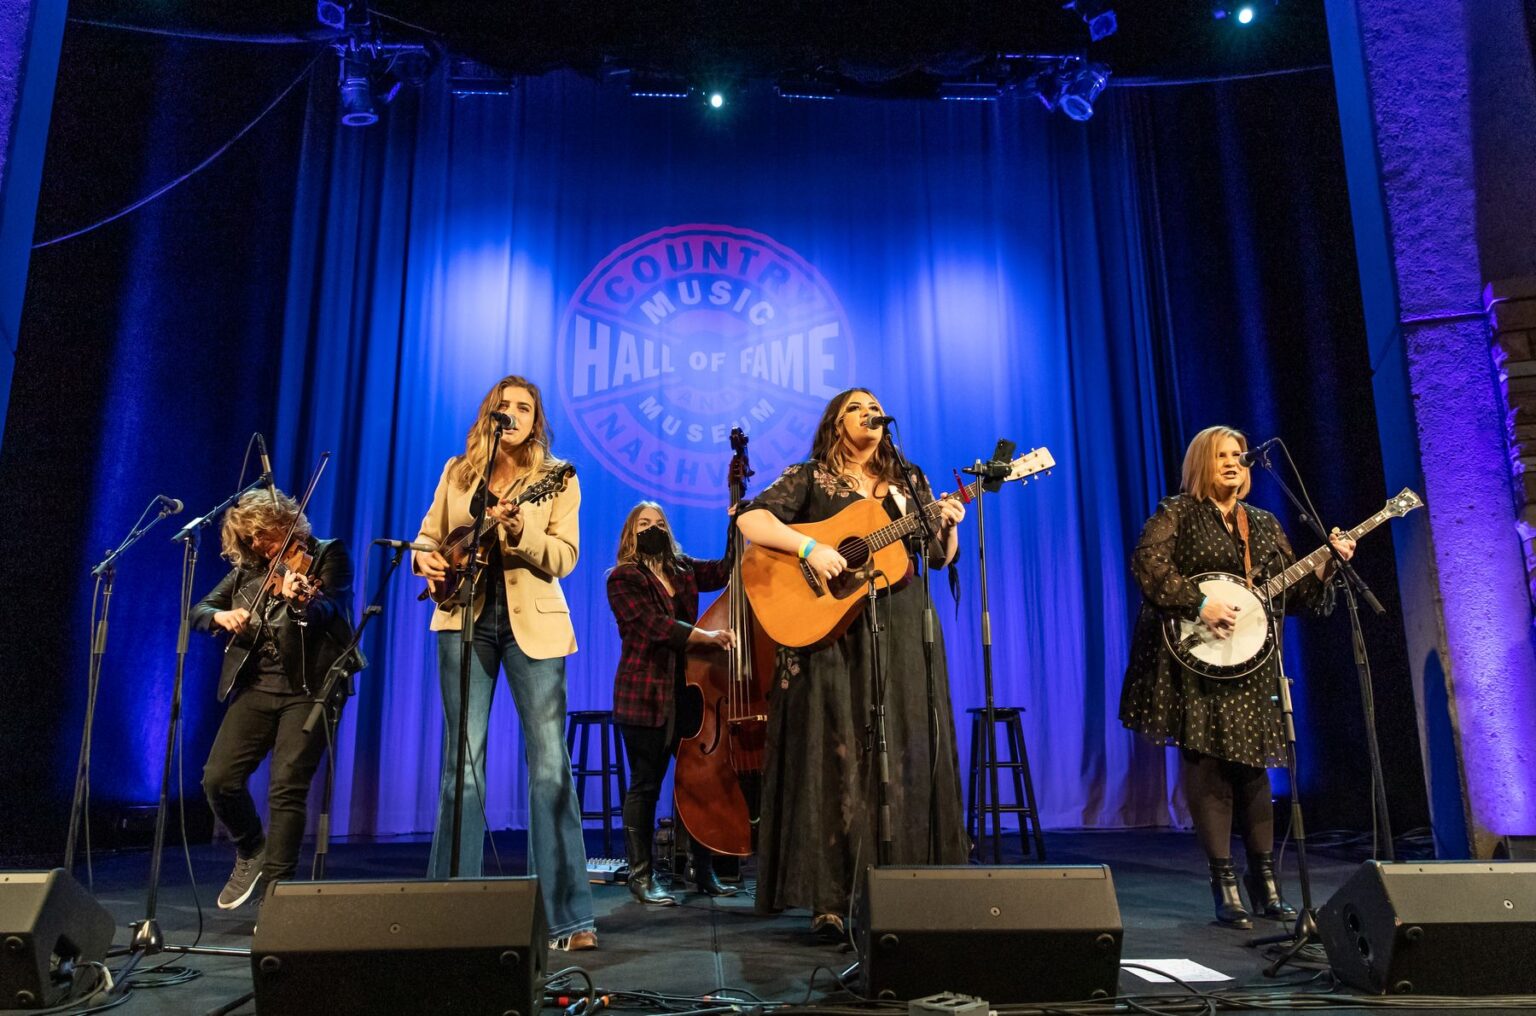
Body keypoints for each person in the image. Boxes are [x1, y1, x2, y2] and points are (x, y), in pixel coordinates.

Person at [735, 388, 969, 940]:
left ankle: (904, 886)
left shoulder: (909, 480)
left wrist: (949, 523)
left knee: (905, 748)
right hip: (833, 635)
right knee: (835, 756)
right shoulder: (811, 477)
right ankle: (831, 899)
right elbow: (752, 521)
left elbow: (936, 557)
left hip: (903, 622)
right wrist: (811, 549)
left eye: (876, 408)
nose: (871, 414)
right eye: (856, 409)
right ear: (837, 424)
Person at [1119, 425, 1355, 929]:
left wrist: (1326, 568)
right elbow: (1148, 567)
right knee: (1208, 765)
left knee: (1253, 770)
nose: (1233, 462)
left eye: (1239, 455)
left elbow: (1295, 599)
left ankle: (1265, 882)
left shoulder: (1263, 524)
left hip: (1251, 663)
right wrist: (1201, 602)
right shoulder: (1177, 513)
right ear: (1201, 463)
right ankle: (1224, 884)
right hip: (1196, 662)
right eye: (1221, 455)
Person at [412, 375, 596, 952]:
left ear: (535, 419)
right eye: (504, 405)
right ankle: (450, 908)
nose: (512, 413)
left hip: (532, 626)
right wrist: (429, 565)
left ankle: (570, 918)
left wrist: (519, 533)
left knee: (549, 767)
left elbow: (564, 557)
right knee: (460, 768)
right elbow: (425, 539)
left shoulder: (556, 478)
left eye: (524, 407)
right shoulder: (457, 471)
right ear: (488, 412)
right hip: (463, 619)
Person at [194, 488, 357, 910]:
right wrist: (220, 616)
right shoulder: (249, 571)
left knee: (286, 789)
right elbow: (200, 609)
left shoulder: (327, 555)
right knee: (218, 779)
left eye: (264, 535)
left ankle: (277, 899)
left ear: (286, 523)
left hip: (309, 689)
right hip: (257, 687)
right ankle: (250, 848)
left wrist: (301, 601)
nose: (260, 546)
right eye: (250, 540)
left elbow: (329, 610)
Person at [605, 501, 738, 905]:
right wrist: (706, 638)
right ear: (631, 532)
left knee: (698, 782)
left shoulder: (682, 569)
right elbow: (651, 626)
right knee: (645, 785)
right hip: (644, 695)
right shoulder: (623, 577)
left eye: (658, 522)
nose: (652, 528)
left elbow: (725, 569)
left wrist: (736, 525)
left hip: (688, 694)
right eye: (644, 523)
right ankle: (642, 876)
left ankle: (703, 870)